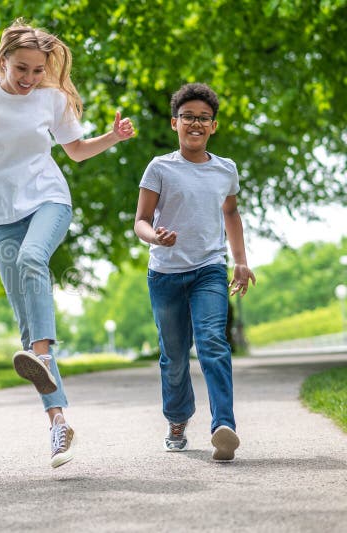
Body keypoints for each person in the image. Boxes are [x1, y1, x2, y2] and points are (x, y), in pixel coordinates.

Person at [0, 18, 134, 468]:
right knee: (26, 328)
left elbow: (76, 150)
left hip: (48, 200)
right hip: (1, 216)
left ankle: (43, 357)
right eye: (21, 69)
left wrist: (114, 137)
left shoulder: (52, 99)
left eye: (36, 70)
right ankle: (58, 422)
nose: (29, 78)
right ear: (3, 61)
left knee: (33, 260)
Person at [134, 82, 256, 462]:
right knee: (173, 356)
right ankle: (176, 419)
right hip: (165, 274)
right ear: (175, 123)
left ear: (214, 126)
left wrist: (240, 259)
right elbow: (140, 221)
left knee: (213, 342)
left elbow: (231, 213)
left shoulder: (226, 169)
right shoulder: (160, 167)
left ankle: (224, 426)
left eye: (204, 118)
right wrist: (155, 237)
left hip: (208, 269)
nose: (196, 124)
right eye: (188, 117)